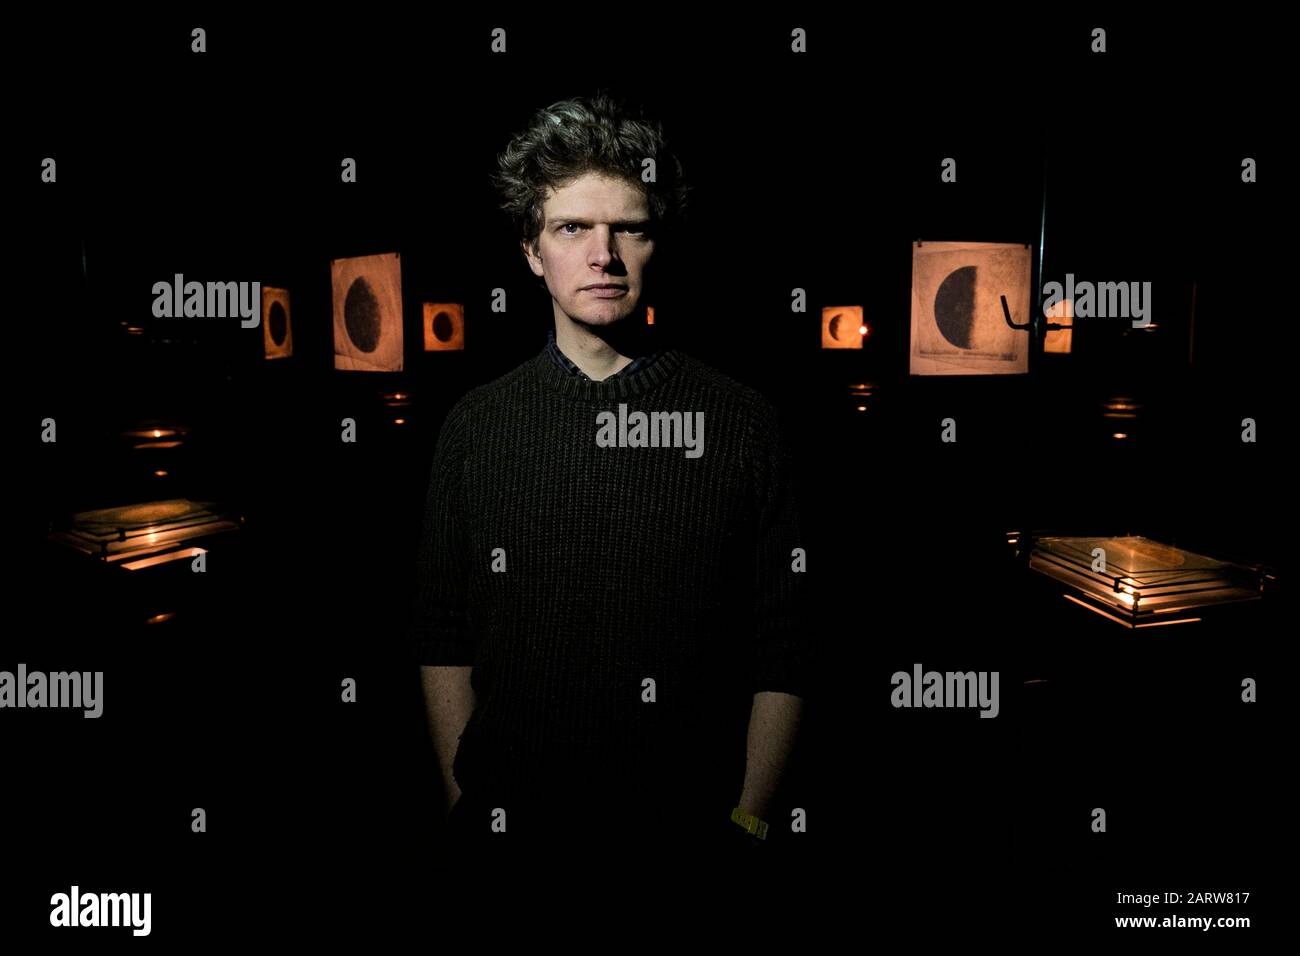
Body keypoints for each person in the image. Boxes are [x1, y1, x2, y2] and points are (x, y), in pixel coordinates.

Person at [410, 91, 811, 861]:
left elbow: (784, 646)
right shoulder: (475, 426)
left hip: (685, 836)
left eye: (628, 228)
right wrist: (465, 805)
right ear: (532, 251)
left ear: (658, 245)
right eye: (572, 228)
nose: (604, 254)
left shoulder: (741, 423)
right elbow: (441, 629)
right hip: (509, 833)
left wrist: (750, 823)